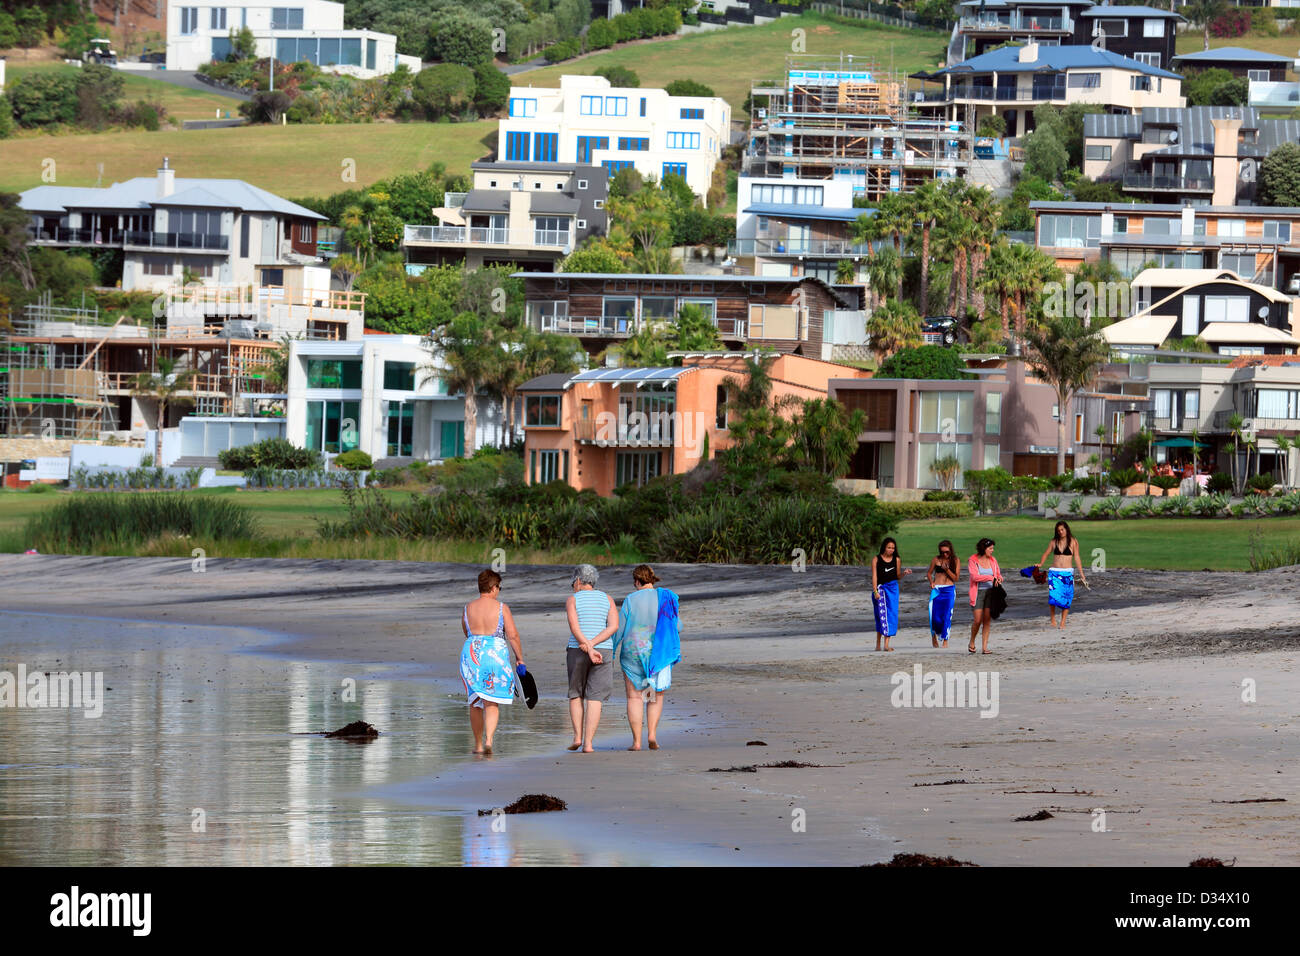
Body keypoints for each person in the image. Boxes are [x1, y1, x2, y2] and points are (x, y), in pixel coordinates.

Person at [612, 565, 679, 751]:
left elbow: (619, 628)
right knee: (653, 696)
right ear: (652, 579)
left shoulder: (630, 599)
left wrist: (610, 651)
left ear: (636, 581)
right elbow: (677, 626)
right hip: (656, 655)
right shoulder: (666, 597)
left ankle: (636, 742)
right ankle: (652, 735)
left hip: (633, 653)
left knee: (634, 698)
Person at [459, 568, 524, 756]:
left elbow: (467, 632)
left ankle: (478, 744)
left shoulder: (468, 607)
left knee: (475, 700)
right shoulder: (501, 608)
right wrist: (520, 658)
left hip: (472, 653)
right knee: (491, 701)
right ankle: (489, 740)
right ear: (494, 587)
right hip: (494, 652)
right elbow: (512, 635)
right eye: (499, 588)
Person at [565, 564, 618, 753]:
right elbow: (613, 626)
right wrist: (593, 645)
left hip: (578, 649)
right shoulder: (608, 599)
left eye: (573, 583)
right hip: (603, 649)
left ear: (578, 581)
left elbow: (574, 627)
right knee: (595, 697)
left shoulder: (573, 599)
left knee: (576, 693)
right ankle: (588, 743)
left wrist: (587, 647)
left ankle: (577, 737)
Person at [1036, 520, 1087, 630]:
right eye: (1058, 530)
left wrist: (1081, 573)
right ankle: (1053, 618)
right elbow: (1046, 553)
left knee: (1067, 598)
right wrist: (1041, 564)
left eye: (1062, 529)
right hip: (1054, 572)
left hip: (1067, 573)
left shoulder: (1073, 541)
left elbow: (1077, 557)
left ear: (1066, 529)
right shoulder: (1054, 542)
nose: (1060, 532)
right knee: (1053, 597)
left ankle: (1062, 622)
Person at [871, 537, 912, 651]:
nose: (891, 550)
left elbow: (897, 576)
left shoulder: (897, 560)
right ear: (884, 547)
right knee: (880, 616)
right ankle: (878, 644)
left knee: (891, 615)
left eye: (893, 548)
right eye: (889, 547)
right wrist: (875, 591)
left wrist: (904, 573)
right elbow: (874, 576)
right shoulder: (876, 559)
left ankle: (886, 644)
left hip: (893, 590)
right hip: (880, 589)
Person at [967, 538, 1002, 655]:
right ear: (984, 548)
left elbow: (997, 573)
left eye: (993, 548)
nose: (992, 550)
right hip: (978, 593)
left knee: (987, 620)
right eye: (990, 548)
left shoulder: (993, 560)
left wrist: (999, 578)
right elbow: (975, 577)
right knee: (977, 620)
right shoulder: (973, 560)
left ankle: (984, 648)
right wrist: (991, 578)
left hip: (991, 593)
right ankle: (972, 641)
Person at [927, 539, 960, 648]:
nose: (944, 554)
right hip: (937, 590)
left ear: (951, 550)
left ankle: (945, 639)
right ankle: (933, 636)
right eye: (942, 552)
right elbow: (929, 573)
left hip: (949, 590)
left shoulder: (955, 560)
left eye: (947, 552)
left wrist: (947, 570)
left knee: (947, 616)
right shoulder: (936, 559)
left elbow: (956, 578)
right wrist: (931, 582)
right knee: (934, 616)